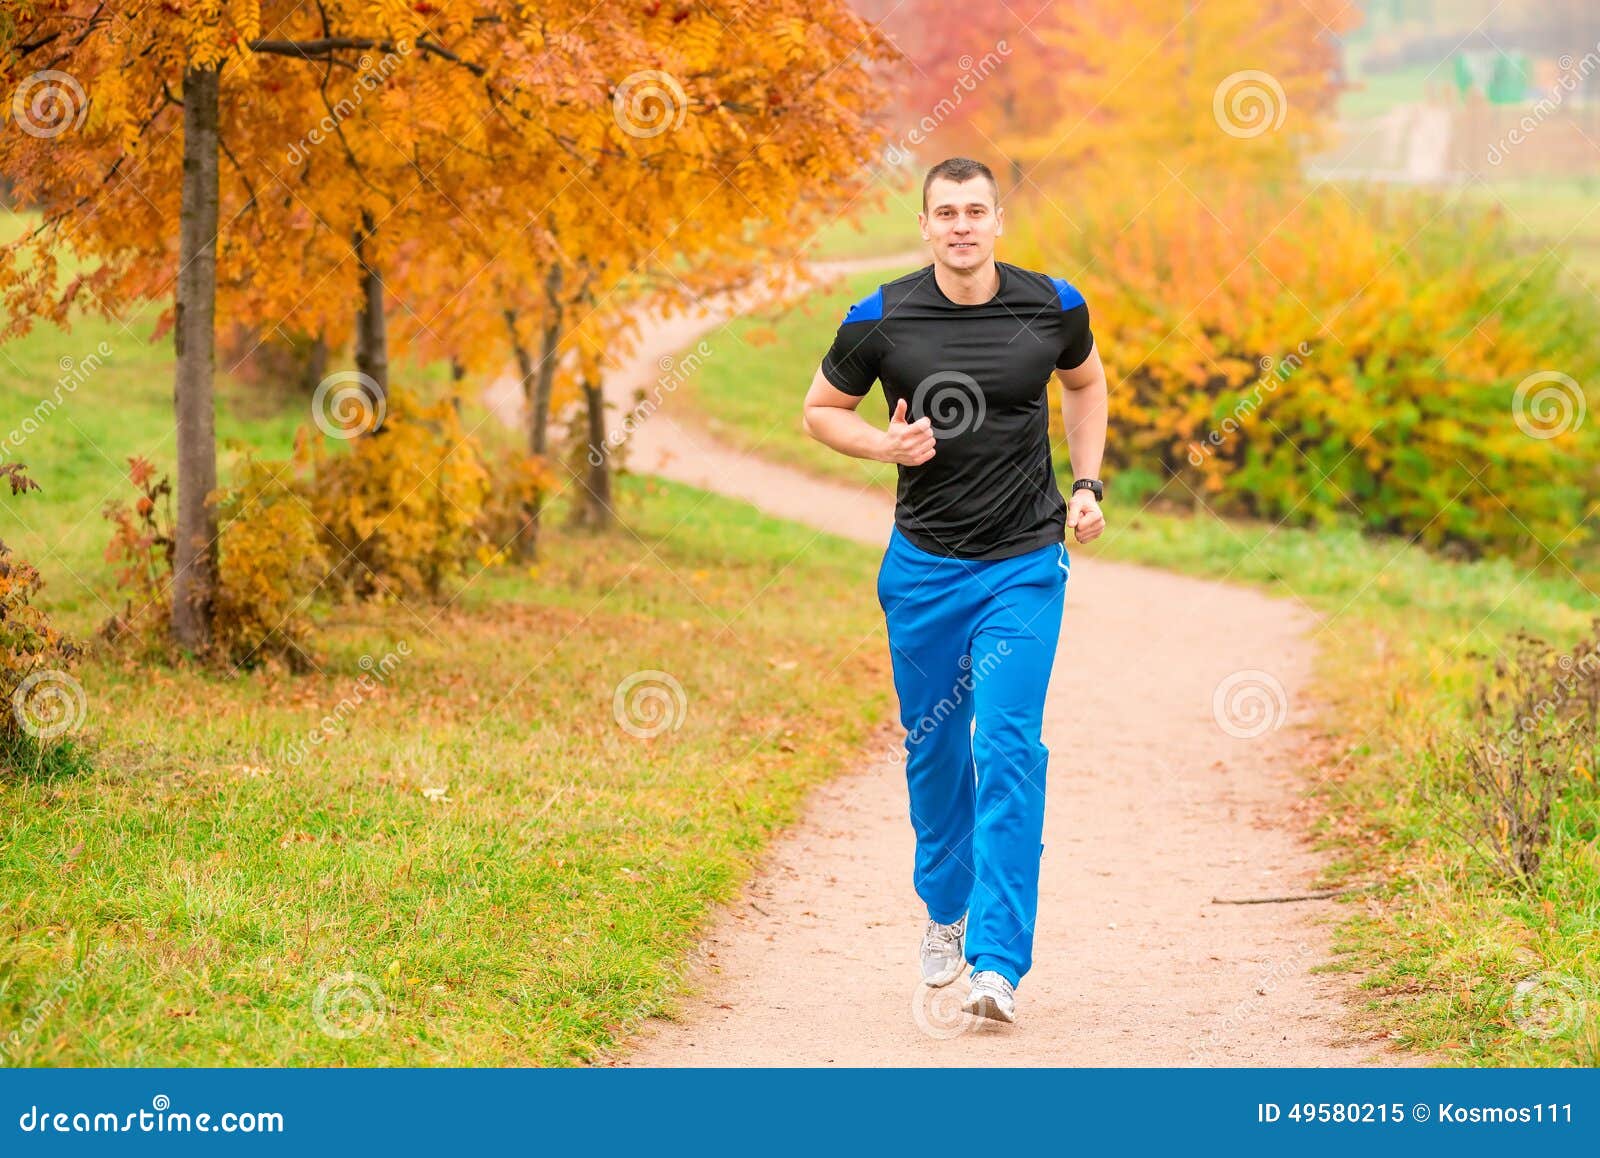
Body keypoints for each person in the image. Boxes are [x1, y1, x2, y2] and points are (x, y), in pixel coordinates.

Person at [800, 156, 1108, 1025]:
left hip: (1023, 563)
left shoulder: (1054, 304)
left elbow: (1086, 384)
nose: (963, 225)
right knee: (933, 750)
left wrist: (1088, 487)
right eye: (947, 212)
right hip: (925, 569)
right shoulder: (884, 316)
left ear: (999, 220)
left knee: (1008, 746)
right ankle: (944, 907)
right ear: (927, 225)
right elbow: (821, 410)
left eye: (977, 210)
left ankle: (998, 964)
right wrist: (882, 449)